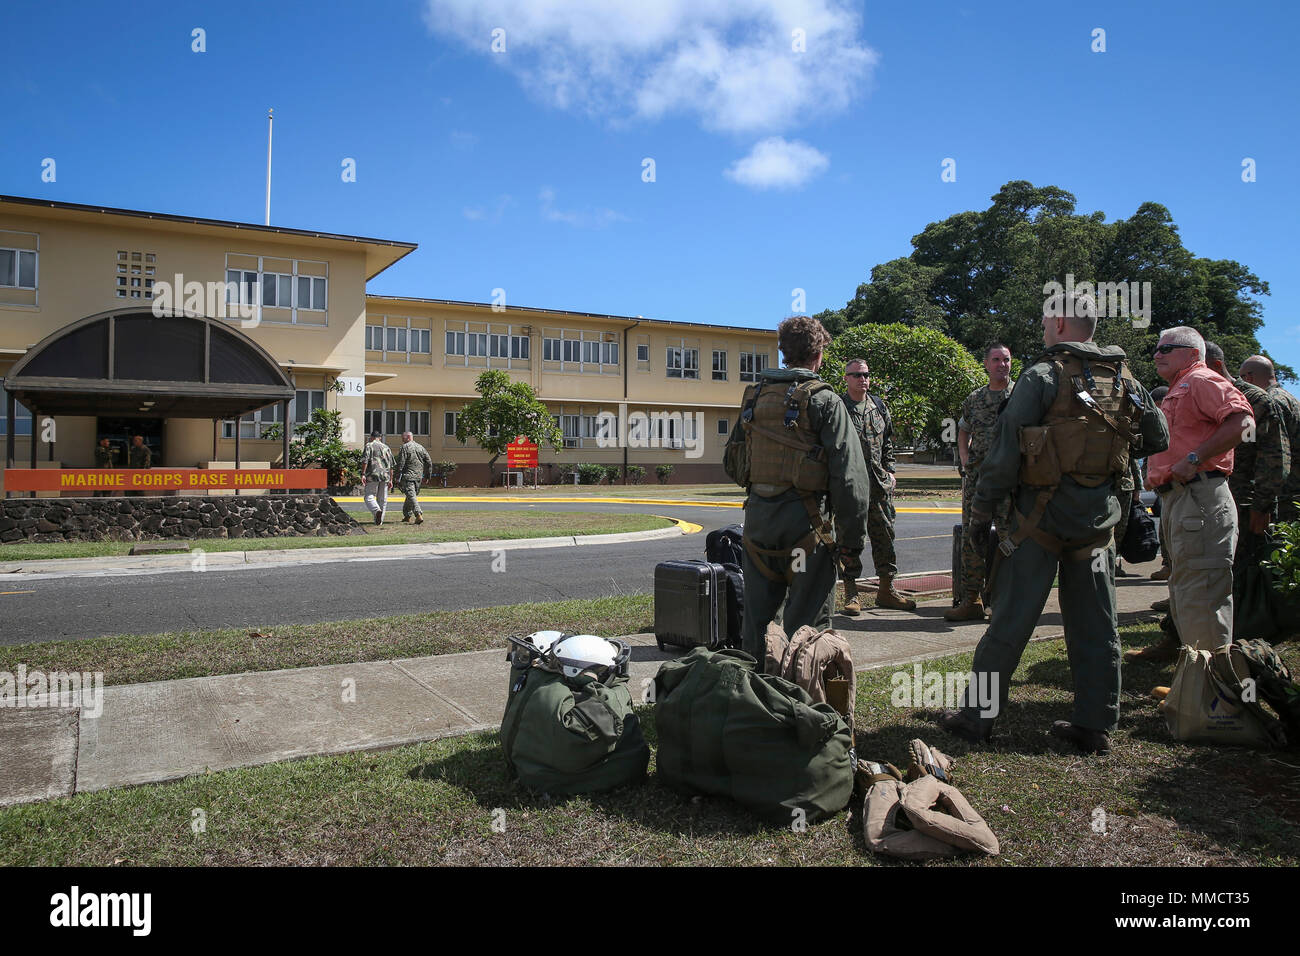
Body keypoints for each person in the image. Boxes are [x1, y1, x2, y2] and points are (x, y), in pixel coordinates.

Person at [936, 295, 1167, 755]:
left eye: (1045, 321)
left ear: (1060, 322)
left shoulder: (1042, 376)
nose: (1043, 329)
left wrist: (982, 513)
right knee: (1098, 626)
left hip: (1038, 522)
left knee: (1010, 621)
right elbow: (1158, 436)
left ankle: (975, 718)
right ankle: (1095, 724)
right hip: (1098, 525)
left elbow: (1002, 456)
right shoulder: (1125, 378)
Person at [723, 315, 871, 659]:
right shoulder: (826, 401)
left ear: (783, 352)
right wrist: (851, 545)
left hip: (758, 527)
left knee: (757, 628)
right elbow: (851, 481)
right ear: (819, 355)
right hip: (807, 532)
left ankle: (755, 700)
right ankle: (802, 705)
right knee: (807, 631)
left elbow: (732, 463)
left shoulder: (754, 397)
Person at [1144, 327, 1253, 656]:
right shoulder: (1182, 385)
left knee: (1202, 597)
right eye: (1157, 349)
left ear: (1192, 353)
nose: (1156, 355)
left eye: (1166, 349)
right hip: (1180, 499)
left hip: (1199, 499)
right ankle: (1195, 687)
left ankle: (1212, 698)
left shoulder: (1202, 379)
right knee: (1187, 594)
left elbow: (1244, 423)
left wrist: (1194, 458)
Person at [838, 358, 916, 614]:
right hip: (851, 489)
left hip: (880, 488)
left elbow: (888, 444)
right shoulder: (838, 408)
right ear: (846, 378)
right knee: (850, 540)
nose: (863, 379)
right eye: (857, 375)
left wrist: (891, 471)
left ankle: (886, 590)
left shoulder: (879, 406)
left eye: (866, 375)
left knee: (885, 538)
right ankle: (851, 594)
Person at [946, 343, 1014, 621]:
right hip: (978, 480)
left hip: (1012, 480)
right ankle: (970, 599)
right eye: (996, 359)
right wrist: (964, 459)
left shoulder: (1022, 396)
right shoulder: (974, 399)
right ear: (986, 364)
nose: (1002, 364)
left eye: (1006, 359)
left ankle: (1006, 602)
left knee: (1012, 539)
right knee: (973, 538)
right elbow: (963, 430)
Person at [1241, 355, 1300, 523]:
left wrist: (1261, 504)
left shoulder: (1269, 402)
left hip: (1282, 496)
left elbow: (1274, 456)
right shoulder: (1291, 399)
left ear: (1249, 378)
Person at [394, 431, 432, 524]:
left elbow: (401, 463)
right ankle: (407, 515)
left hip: (408, 476)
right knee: (410, 496)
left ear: (407, 437)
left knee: (412, 496)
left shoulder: (405, 447)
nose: (402, 440)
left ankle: (418, 514)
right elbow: (429, 461)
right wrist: (427, 475)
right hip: (418, 477)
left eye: (403, 438)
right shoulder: (420, 447)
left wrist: (397, 475)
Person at [361, 430, 395, 526]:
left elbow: (365, 461)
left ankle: (376, 511)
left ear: (371, 437)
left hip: (373, 474)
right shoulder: (386, 447)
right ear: (380, 437)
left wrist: (363, 473)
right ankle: (380, 521)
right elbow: (391, 465)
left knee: (369, 496)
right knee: (382, 499)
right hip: (385, 475)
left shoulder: (369, 445)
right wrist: (391, 479)